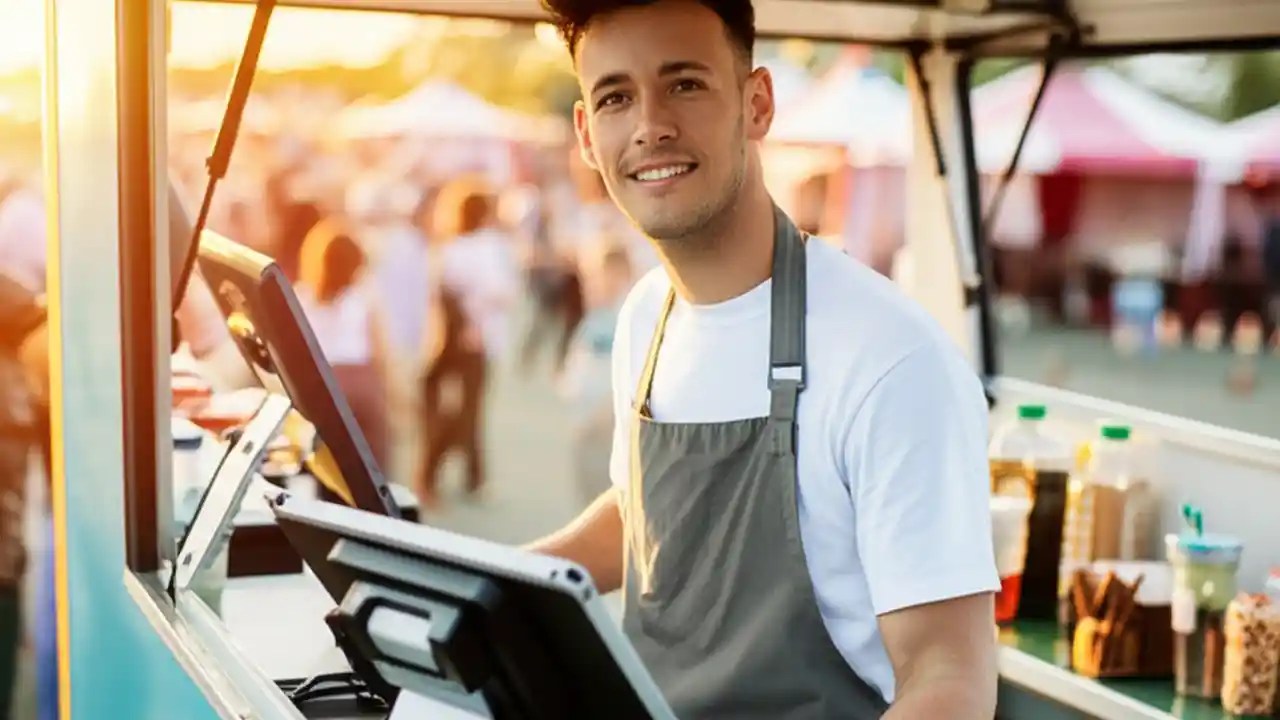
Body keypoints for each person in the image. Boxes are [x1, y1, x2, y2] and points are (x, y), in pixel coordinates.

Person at [526, 1, 1000, 717]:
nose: (650, 125)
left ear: (757, 104)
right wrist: (489, 579)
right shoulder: (645, 318)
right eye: (616, 96)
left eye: (684, 83)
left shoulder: (890, 358)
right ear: (589, 136)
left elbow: (950, 680)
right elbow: (644, 514)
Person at [417, 179, 517, 506]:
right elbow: (503, 292)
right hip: (476, 340)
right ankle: (430, 474)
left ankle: (473, 477)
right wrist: (476, 318)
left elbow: (440, 296)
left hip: (447, 340)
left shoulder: (448, 248)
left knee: (465, 409)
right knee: (467, 412)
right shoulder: (487, 247)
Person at [294, 219, 392, 475]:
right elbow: (381, 353)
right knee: (374, 463)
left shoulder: (300, 297)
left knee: (326, 464)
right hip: (361, 383)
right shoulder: (363, 299)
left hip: (321, 384)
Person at [557, 239, 633, 505]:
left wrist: (607, 409)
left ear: (620, 272)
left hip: (605, 422)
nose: (594, 282)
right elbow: (581, 355)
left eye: (600, 275)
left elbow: (631, 369)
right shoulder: (596, 313)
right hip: (583, 417)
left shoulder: (628, 314)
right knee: (585, 490)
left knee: (605, 496)